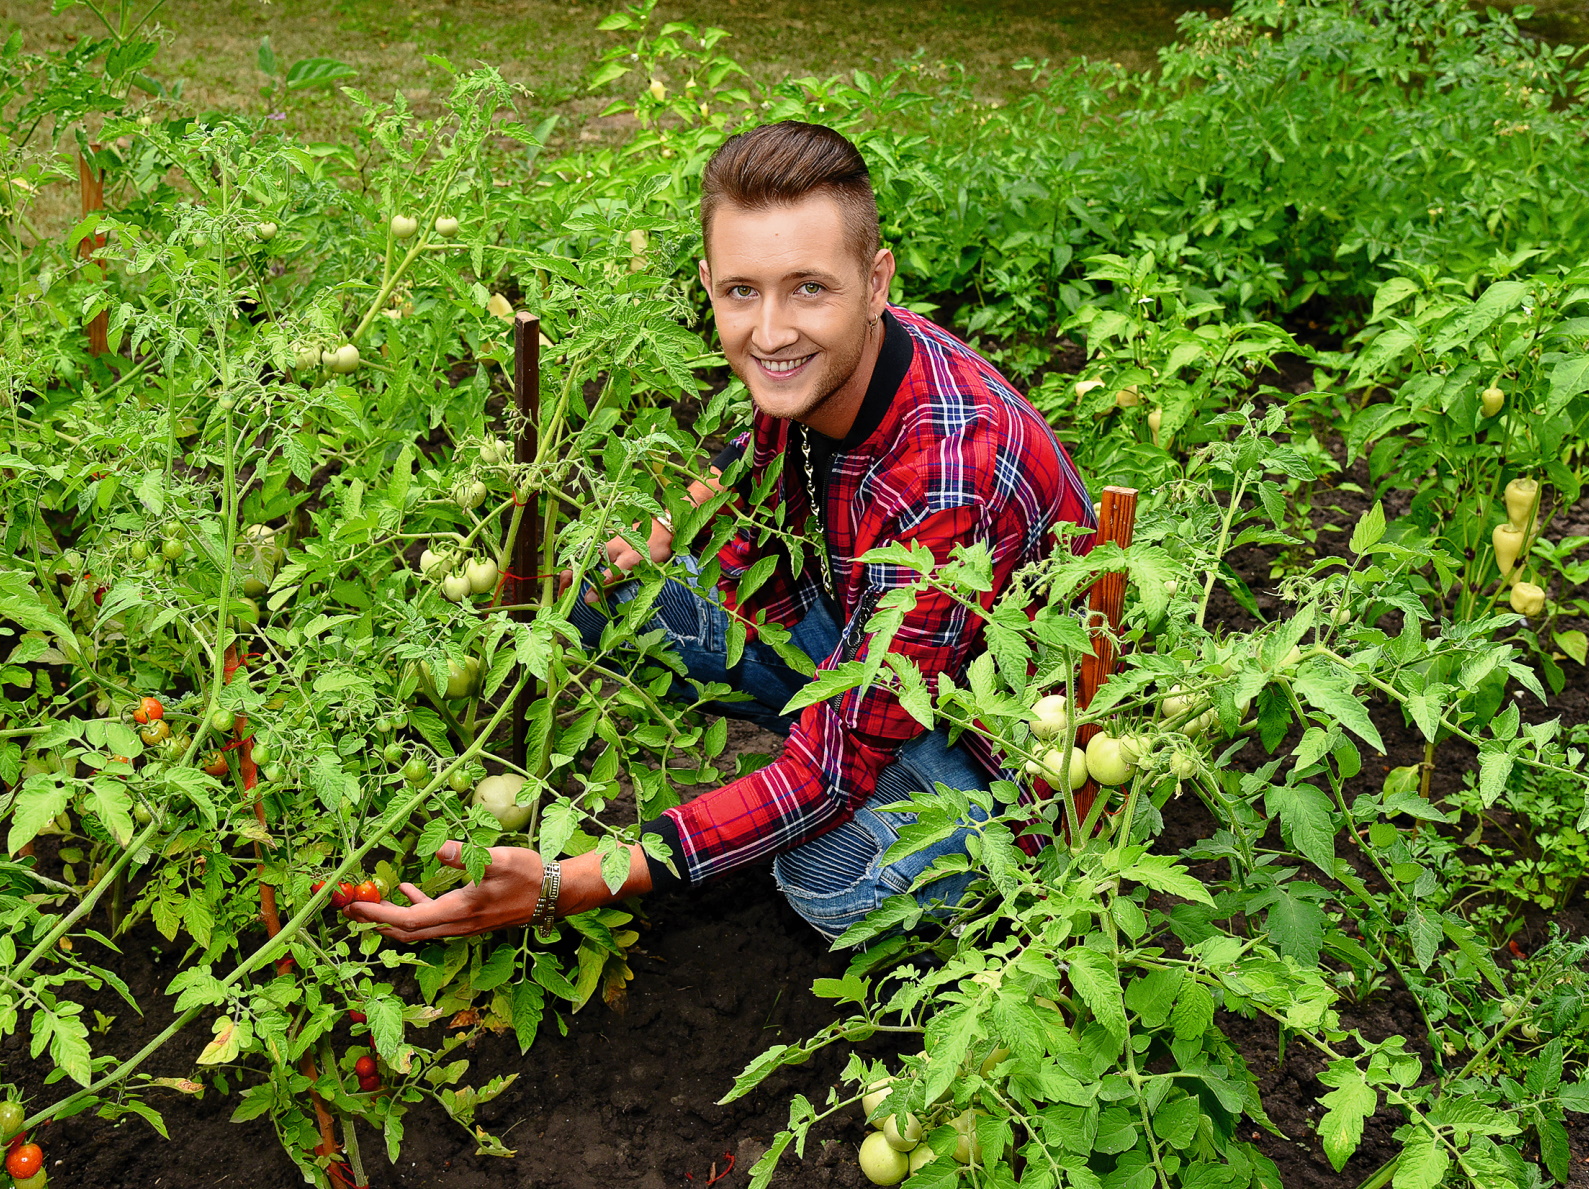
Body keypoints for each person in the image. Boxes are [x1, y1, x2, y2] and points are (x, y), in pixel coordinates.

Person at [348, 121, 1093, 945]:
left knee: (830, 880)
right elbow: (760, 449)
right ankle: (805, 743)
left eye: (808, 288)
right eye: (742, 291)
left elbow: (829, 770)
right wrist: (675, 519)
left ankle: (1007, 858)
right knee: (606, 589)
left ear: (875, 281)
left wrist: (577, 879)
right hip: (863, 629)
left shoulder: (946, 478)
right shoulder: (826, 358)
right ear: (710, 284)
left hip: (1000, 741)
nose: (770, 332)